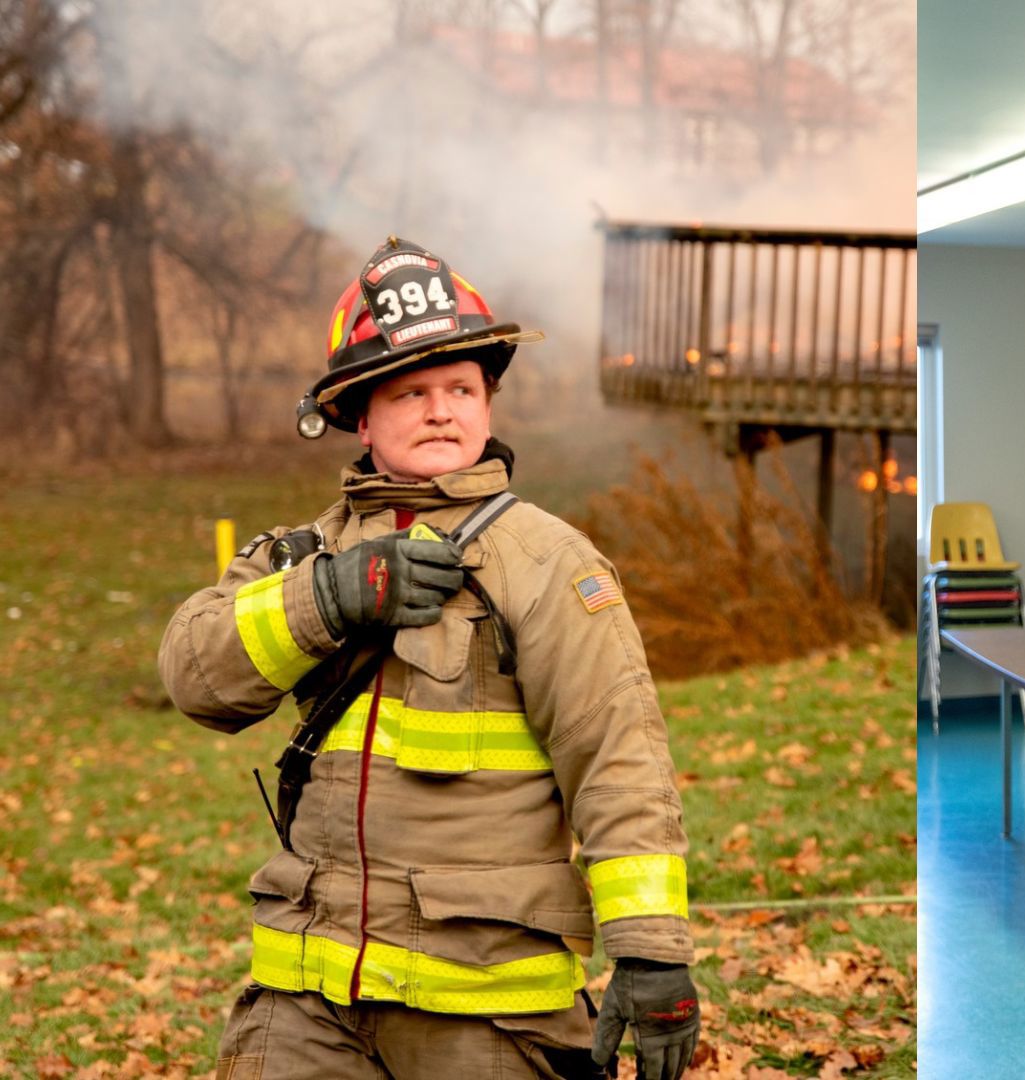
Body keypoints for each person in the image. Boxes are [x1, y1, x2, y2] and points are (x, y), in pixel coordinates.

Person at [159, 237, 700, 1080]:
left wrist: (651, 948)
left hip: (485, 1011)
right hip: (309, 1003)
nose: (442, 409)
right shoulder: (302, 557)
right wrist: (328, 598)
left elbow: (616, 757)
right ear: (360, 417)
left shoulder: (549, 562)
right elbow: (194, 677)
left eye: (461, 388)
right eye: (411, 391)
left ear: (488, 406)